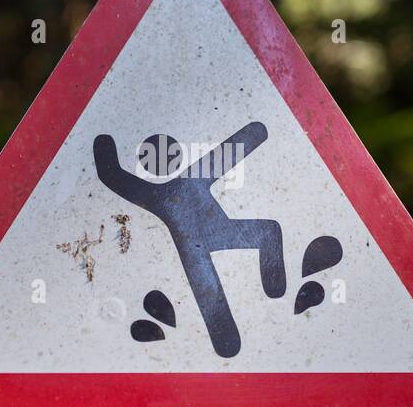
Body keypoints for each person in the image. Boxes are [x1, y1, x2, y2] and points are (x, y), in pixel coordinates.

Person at [93, 121, 285, 358]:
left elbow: (112, 174)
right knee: (262, 236)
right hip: (197, 244)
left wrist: (103, 145)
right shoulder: (166, 189)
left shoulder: (162, 191)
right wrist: (103, 147)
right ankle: (227, 339)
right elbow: (112, 174)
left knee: (261, 237)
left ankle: (235, 328)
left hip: (204, 237)